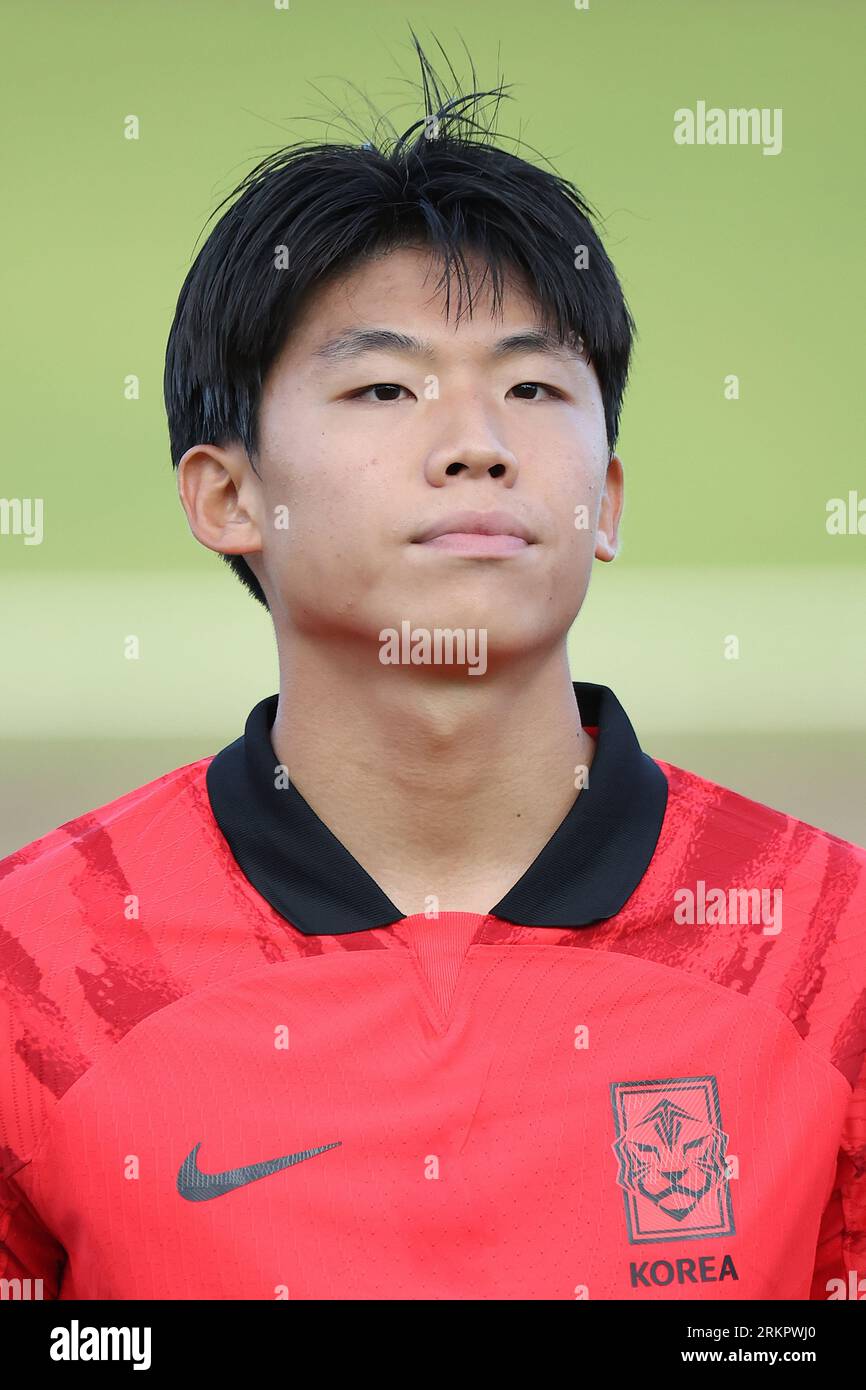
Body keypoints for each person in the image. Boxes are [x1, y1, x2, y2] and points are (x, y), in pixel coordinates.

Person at [1, 38, 864, 1302]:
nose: (474, 445)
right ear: (229, 493)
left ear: (607, 500)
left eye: (528, 383)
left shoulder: (826, 954)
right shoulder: (40, 968)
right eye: (385, 386)